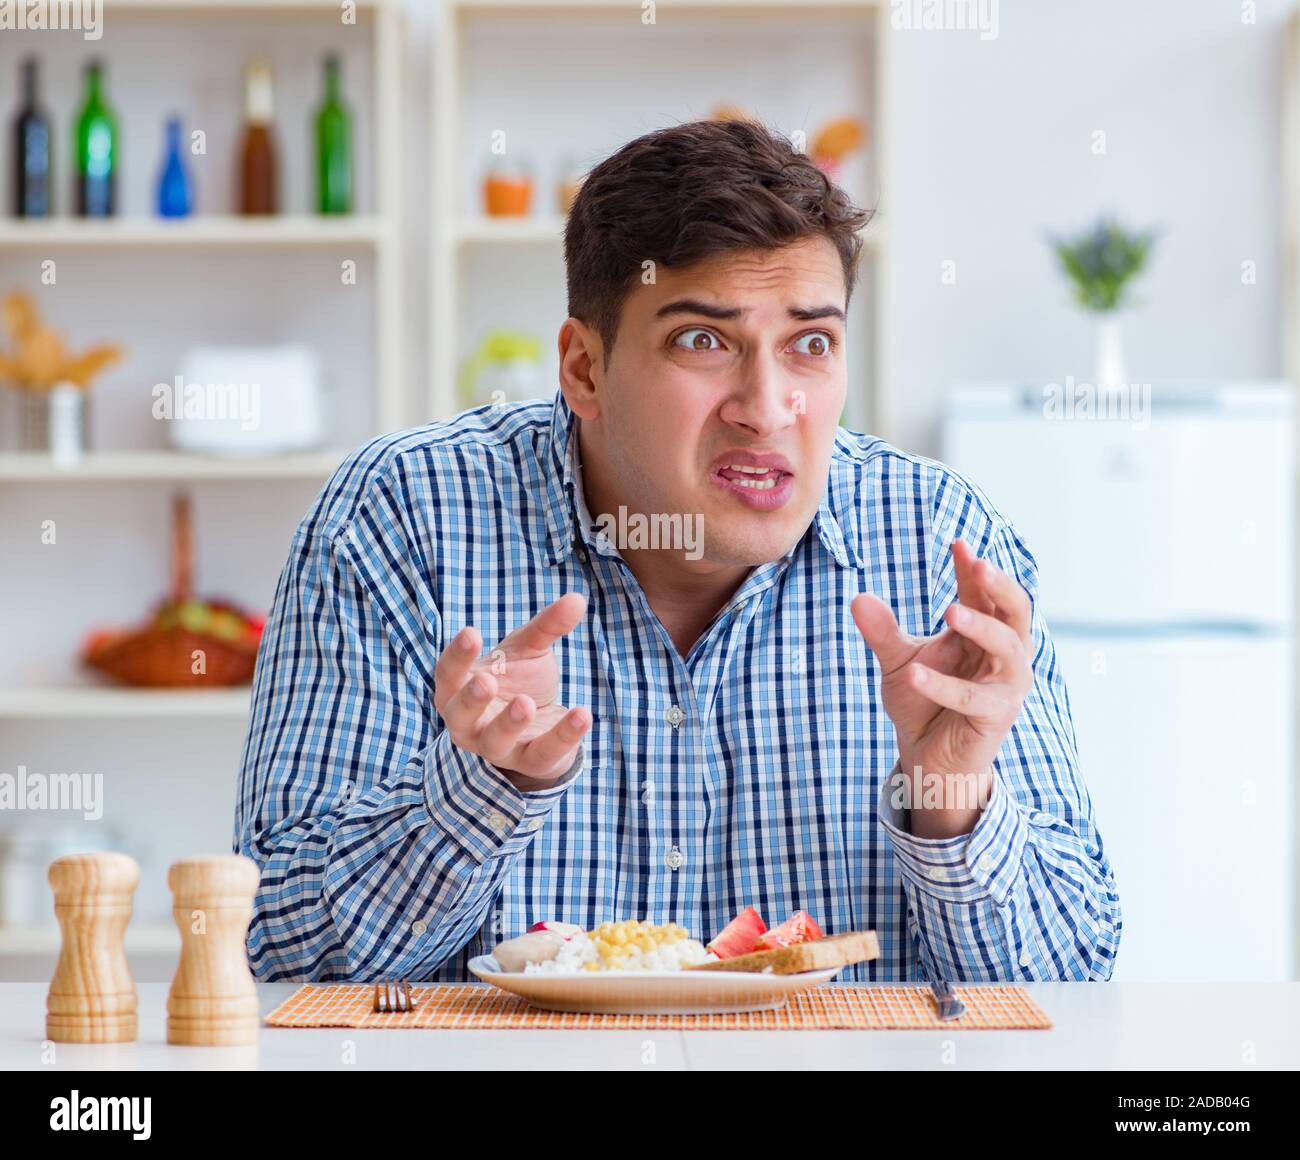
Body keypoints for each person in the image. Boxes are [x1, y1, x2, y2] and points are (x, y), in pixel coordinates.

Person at [234, 118, 1121, 984]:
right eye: (704, 341)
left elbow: (1074, 985)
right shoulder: (402, 519)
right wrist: (477, 794)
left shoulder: (936, 544)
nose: (767, 408)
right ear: (584, 368)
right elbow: (277, 953)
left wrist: (951, 801)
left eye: (810, 344)